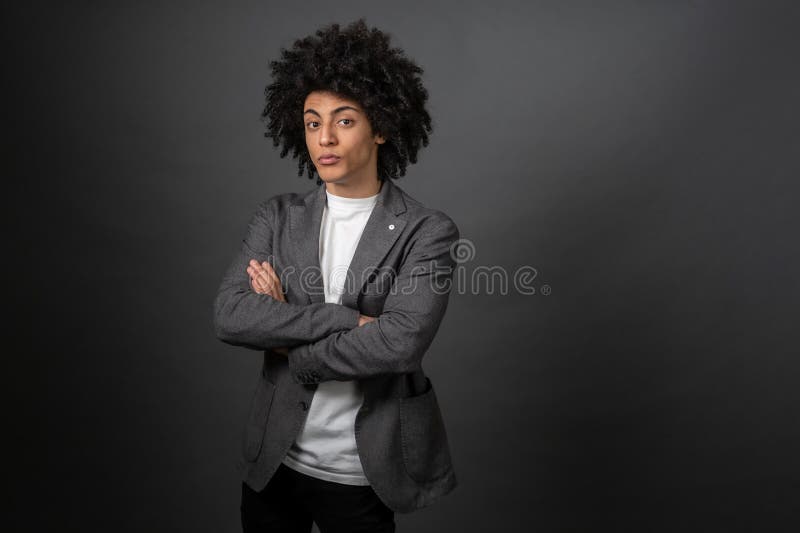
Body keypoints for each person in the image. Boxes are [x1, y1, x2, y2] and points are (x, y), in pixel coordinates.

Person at [213, 18, 460, 533]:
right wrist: (344, 319)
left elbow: (399, 345)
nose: (323, 137)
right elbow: (231, 316)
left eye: (344, 121)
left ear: (382, 125)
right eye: (311, 121)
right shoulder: (276, 217)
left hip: (364, 471)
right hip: (273, 463)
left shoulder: (427, 231)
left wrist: (286, 336)